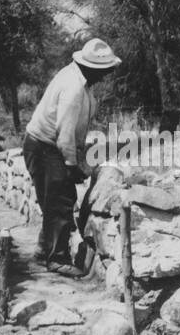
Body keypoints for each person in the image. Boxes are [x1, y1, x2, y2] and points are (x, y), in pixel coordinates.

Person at [23, 38, 121, 274]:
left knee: (53, 200)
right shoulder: (74, 87)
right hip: (46, 147)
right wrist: (71, 165)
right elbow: (64, 133)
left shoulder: (79, 79)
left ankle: (42, 250)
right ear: (92, 67)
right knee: (61, 201)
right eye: (104, 71)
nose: (105, 76)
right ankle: (56, 258)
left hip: (47, 146)